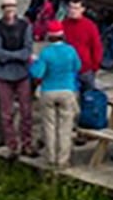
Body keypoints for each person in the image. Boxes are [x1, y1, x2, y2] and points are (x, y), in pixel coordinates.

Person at [0, 0, 35, 159]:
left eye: (12, 6)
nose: (9, 9)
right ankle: (12, 146)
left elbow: (28, 50)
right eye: (6, 6)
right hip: (3, 75)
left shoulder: (25, 26)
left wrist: (10, 56)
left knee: (26, 111)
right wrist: (17, 55)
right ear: (2, 8)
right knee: (7, 113)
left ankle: (27, 143)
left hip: (22, 74)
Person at [29, 20, 83, 168]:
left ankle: (51, 157)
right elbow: (78, 66)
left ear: (49, 36)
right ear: (62, 35)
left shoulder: (45, 53)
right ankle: (63, 159)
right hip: (67, 90)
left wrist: (33, 62)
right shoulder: (70, 50)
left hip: (48, 90)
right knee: (65, 126)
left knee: (49, 126)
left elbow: (37, 73)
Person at [61, 0, 103, 86]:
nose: (72, 11)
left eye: (76, 8)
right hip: (68, 68)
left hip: (86, 69)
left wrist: (95, 66)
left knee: (88, 95)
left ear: (82, 9)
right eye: (71, 7)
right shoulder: (64, 24)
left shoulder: (90, 26)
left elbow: (96, 47)